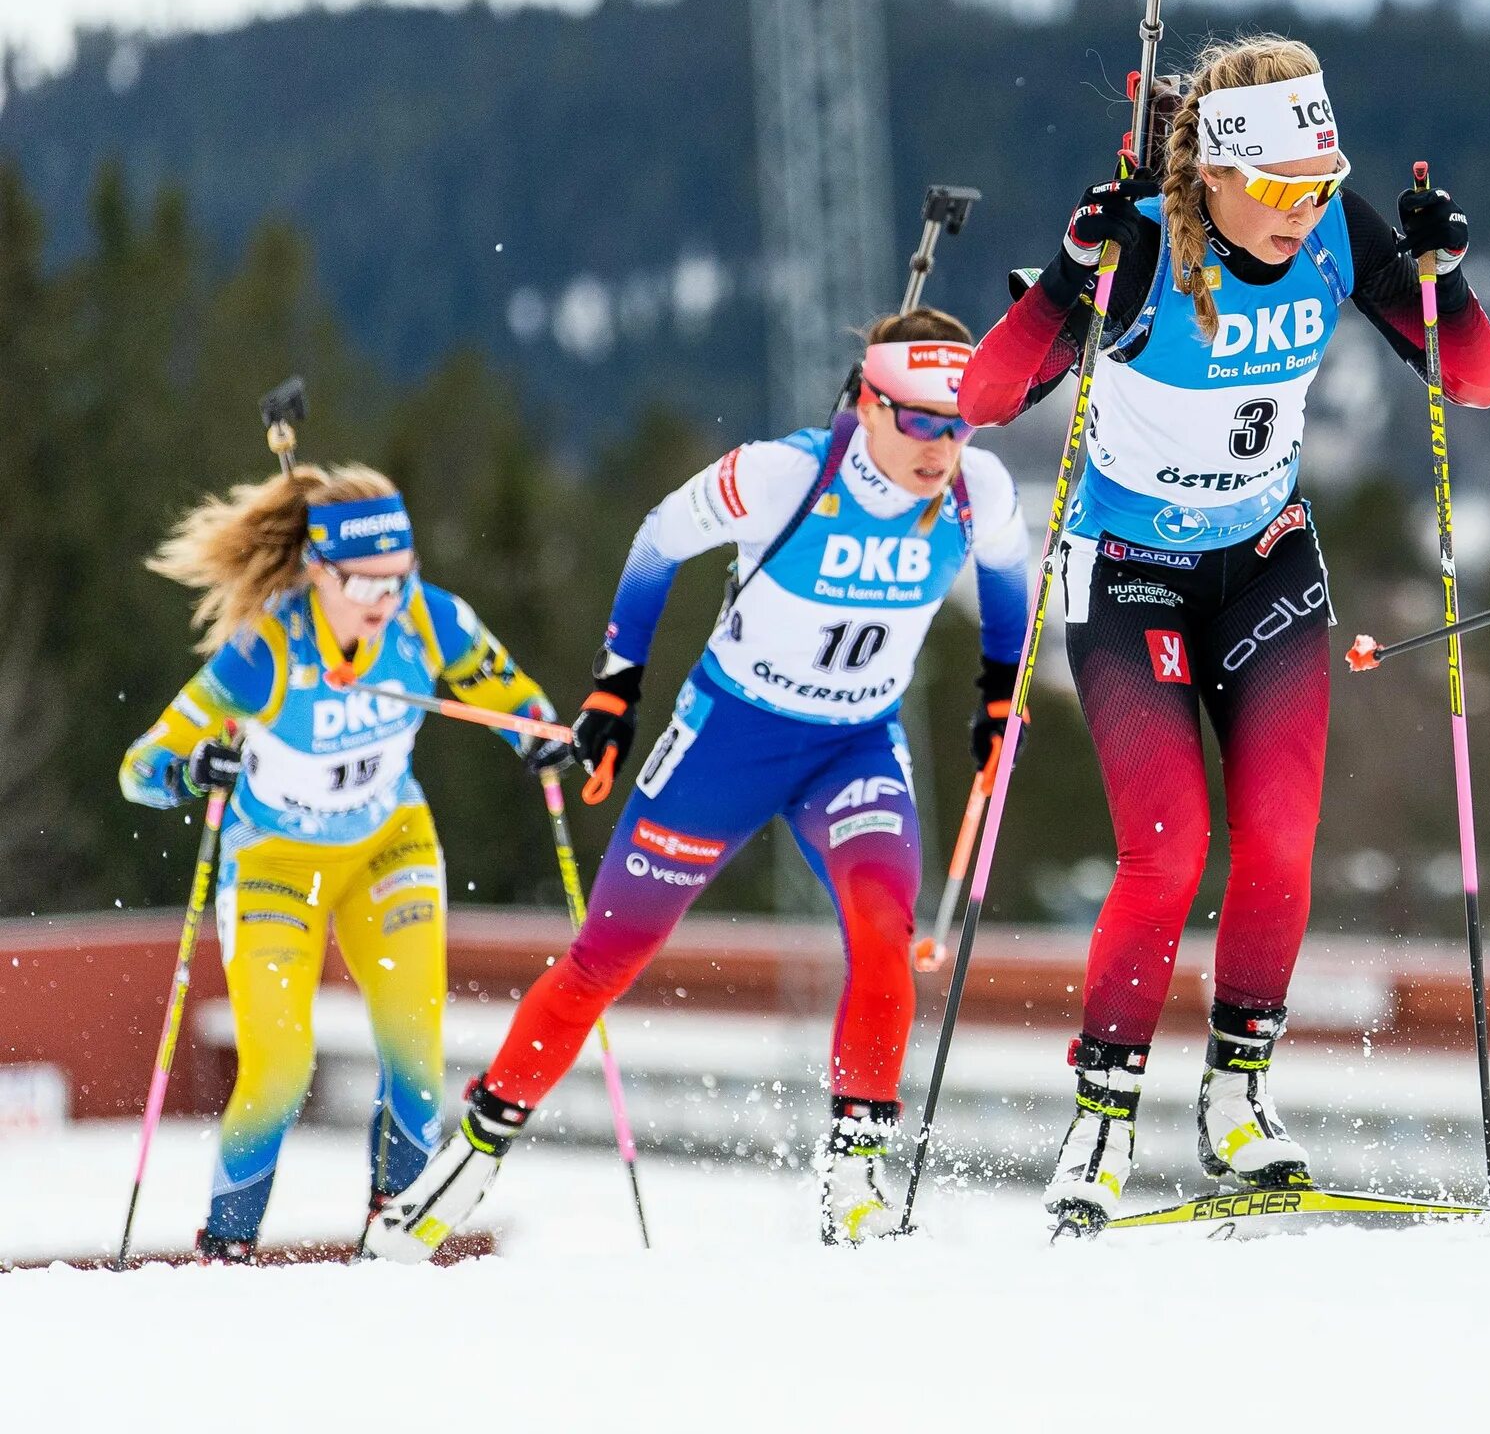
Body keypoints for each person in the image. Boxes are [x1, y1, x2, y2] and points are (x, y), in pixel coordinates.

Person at [957, 34, 1490, 1236]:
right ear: (1214, 171)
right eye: (1284, 190)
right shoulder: (1145, 240)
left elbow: (1472, 383)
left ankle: (1237, 1095)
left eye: (1322, 186)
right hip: (1134, 571)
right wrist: (1065, 271)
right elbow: (984, 398)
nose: (1307, 214)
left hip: (1264, 565)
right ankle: (1102, 1117)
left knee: (1280, 839)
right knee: (1169, 849)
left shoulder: (1339, 233)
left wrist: (1442, 277)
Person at [370, 308, 1031, 1257]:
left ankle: (854, 1171)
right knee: (608, 957)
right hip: (729, 737)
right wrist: (615, 688)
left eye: (960, 418)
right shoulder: (785, 475)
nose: (942, 444)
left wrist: (999, 693)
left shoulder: (979, 489)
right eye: (920, 419)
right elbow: (655, 542)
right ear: (871, 406)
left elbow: (1010, 576)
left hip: (852, 746)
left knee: (884, 930)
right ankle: (471, 1153)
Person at [122, 464, 563, 1260]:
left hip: (388, 845)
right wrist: (190, 773)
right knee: (279, 1072)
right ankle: (225, 1254)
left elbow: (507, 695)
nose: (386, 599)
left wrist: (539, 733)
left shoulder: (432, 620)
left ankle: (393, 1244)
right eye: (366, 582)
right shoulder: (265, 651)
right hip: (275, 864)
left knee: (416, 1053)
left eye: (401, 577)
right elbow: (140, 768)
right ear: (320, 570)